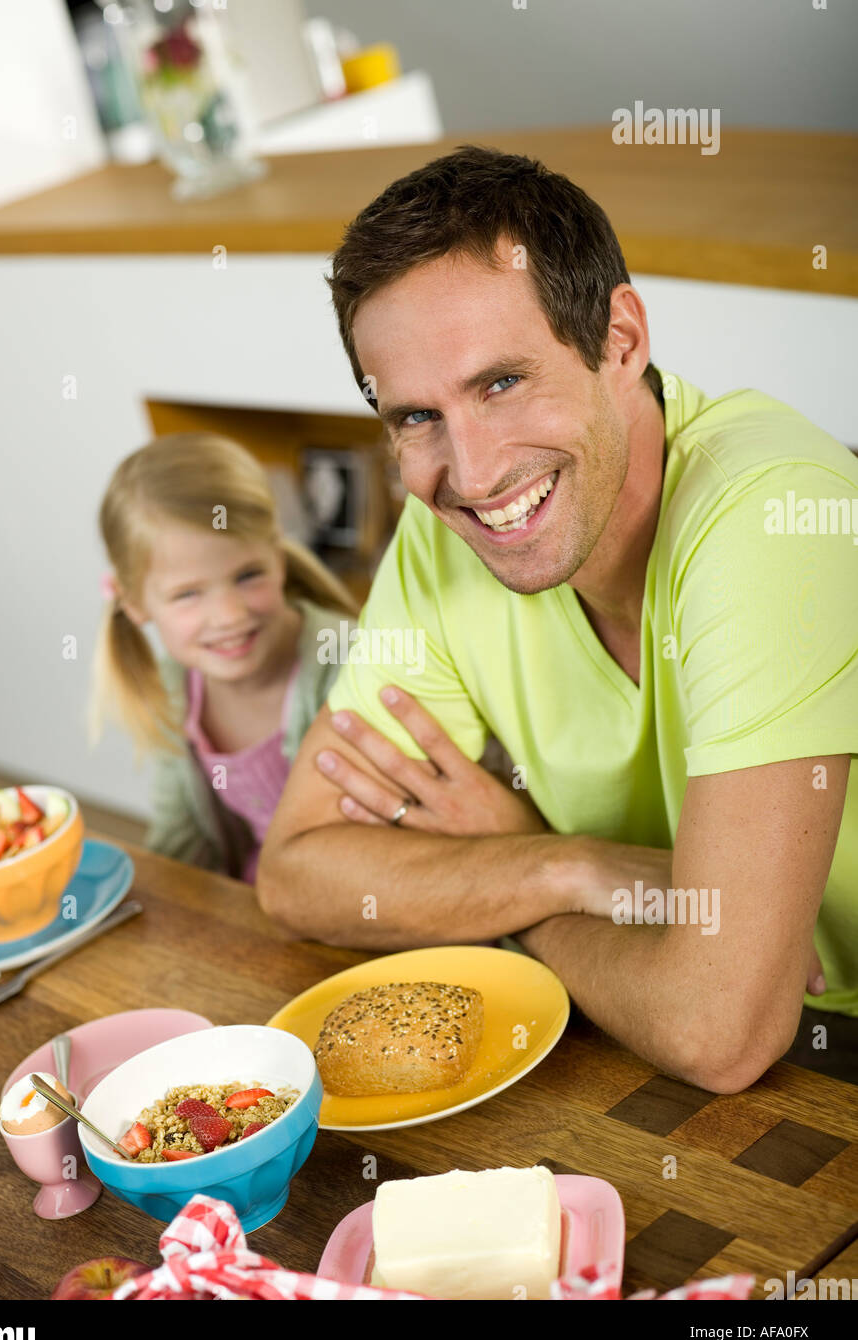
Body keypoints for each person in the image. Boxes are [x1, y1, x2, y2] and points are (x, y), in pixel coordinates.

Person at [256, 146, 858, 1093]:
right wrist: (569, 868)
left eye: (501, 383)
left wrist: (513, 892)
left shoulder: (769, 512)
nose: (474, 470)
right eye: (416, 416)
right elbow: (298, 871)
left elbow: (720, 1029)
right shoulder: (439, 527)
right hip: (644, 1027)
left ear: (620, 340)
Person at [90, 432, 358, 882]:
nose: (230, 615)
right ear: (133, 602)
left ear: (278, 555)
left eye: (248, 575)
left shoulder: (347, 660)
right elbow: (180, 843)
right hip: (264, 909)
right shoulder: (175, 690)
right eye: (188, 594)